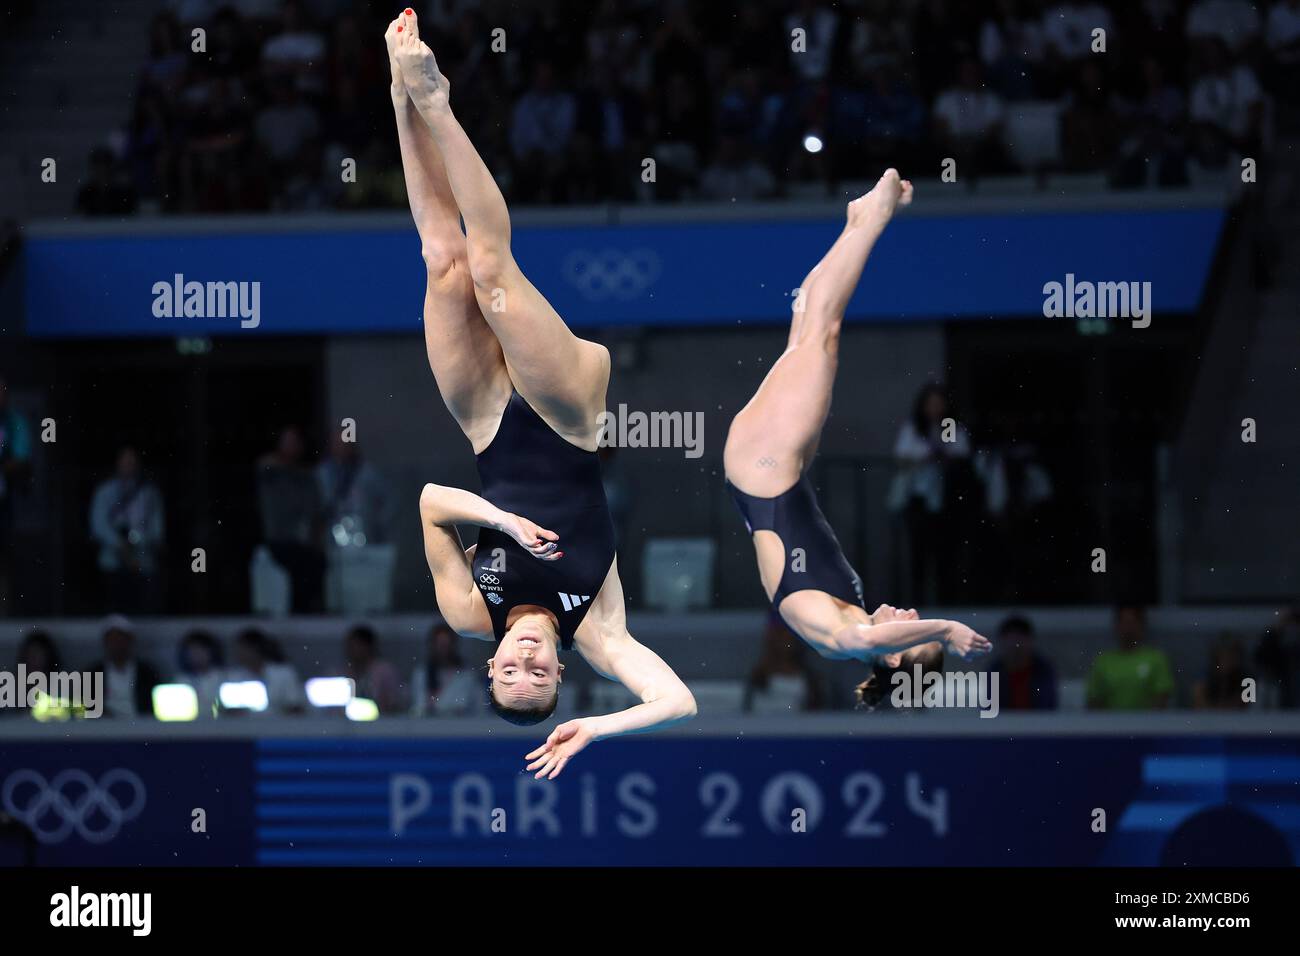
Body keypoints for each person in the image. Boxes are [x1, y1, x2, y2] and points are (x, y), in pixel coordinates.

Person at [389, 9, 695, 778]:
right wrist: (602, 728)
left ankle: (399, 98)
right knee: (492, 273)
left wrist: (500, 522)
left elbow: (429, 499)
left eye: (510, 675)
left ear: (489, 666)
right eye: (540, 680)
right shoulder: (598, 628)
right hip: (568, 417)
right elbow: (679, 701)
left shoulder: (468, 613)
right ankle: (437, 100)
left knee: (442, 261)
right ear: (562, 676)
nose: (525, 664)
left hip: (485, 424)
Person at [722, 168, 991, 692]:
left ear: (891, 660)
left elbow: (866, 642)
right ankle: (858, 222)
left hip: (765, 467)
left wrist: (950, 628)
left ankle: (872, 218)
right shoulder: (852, 610)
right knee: (809, 332)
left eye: (910, 631)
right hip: (777, 472)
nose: (913, 614)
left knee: (820, 333)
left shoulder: (839, 636)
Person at [256, 426, 325, 613]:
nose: (291, 447)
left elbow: (315, 510)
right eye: (287, 442)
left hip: (303, 539)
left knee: (316, 561)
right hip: (279, 539)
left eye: (295, 443)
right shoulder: (270, 471)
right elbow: (264, 465)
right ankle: (299, 610)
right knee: (300, 562)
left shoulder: (307, 477)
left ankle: (311, 608)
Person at [89, 446, 165, 614]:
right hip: (112, 560)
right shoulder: (104, 491)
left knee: (145, 608)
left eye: (133, 461)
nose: (129, 464)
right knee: (116, 608)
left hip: (143, 561)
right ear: (117, 463)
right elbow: (98, 525)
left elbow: (157, 528)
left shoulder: (150, 493)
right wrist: (120, 544)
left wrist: (138, 542)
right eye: (125, 460)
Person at [1086, 605, 1175, 710]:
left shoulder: (1156, 658)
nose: (1128, 629)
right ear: (1117, 626)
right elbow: (1093, 699)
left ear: (1141, 625)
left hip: (1148, 724)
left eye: (1132, 623)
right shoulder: (1103, 660)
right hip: (1109, 725)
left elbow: (1162, 698)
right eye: (1124, 623)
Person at [744, 614, 824, 713]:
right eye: (778, 632)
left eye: (787, 632)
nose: (783, 638)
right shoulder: (757, 678)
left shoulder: (811, 680)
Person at [0, 375, 33, 614]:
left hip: (4, 500)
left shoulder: (15, 422)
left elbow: (21, 460)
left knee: (4, 559)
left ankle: (5, 611)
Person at [87, 615, 162, 718]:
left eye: (121, 639)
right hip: (102, 728)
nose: (116, 645)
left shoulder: (147, 672)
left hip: (141, 727)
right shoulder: (92, 673)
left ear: (130, 641)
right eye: (112, 640)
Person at [988, 615, 1058, 710]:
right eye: (1011, 640)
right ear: (1002, 641)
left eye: (1020, 639)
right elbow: (990, 709)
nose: (1015, 645)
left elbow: (1046, 707)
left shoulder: (1044, 671)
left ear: (1030, 641)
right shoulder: (993, 671)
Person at [410, 621, 479, 716]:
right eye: (440, 645)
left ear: (453, 646)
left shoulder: (466, 675)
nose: (443, 650)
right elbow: (418, 705)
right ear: (432, 646)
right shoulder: (421, 674)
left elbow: (471, 707)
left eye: (446, 645)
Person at [342, 623, 403, 714]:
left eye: (357, 645)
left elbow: (396, 703)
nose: (352, 650)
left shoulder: (386, 671)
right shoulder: (341, 672)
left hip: (381, 723)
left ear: (369, 646)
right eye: (350, 646)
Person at [177, 628, 227, 719]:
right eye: (192, 651)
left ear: (212, 652)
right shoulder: (180, 680)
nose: (197, 655)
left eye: (201, 650)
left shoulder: (225, 678)